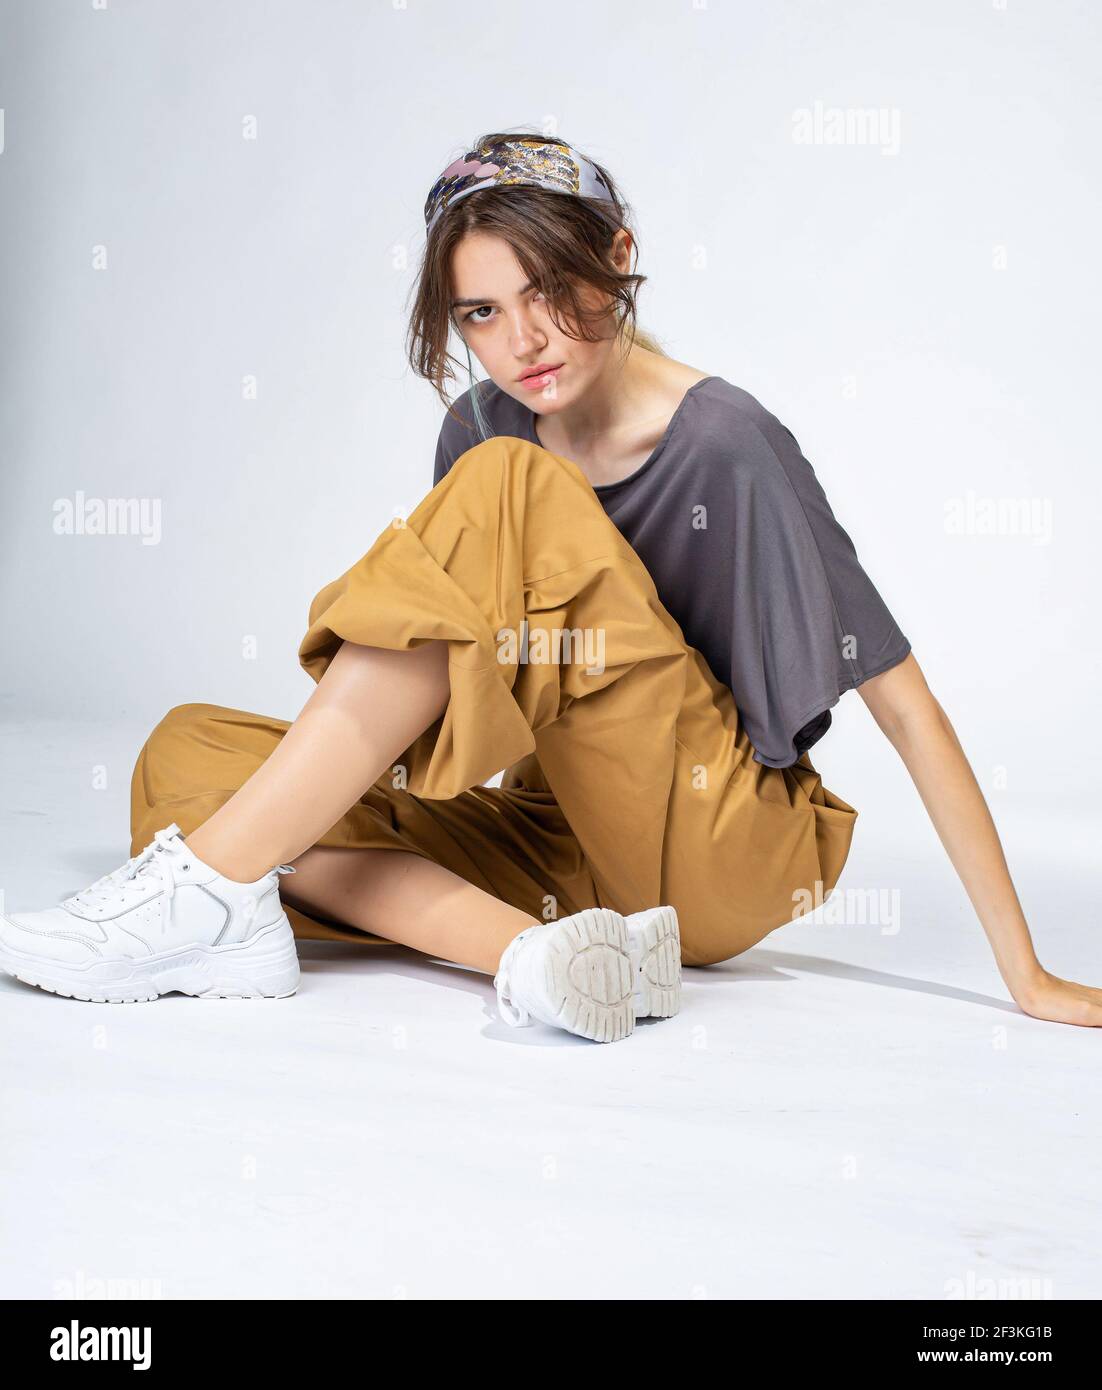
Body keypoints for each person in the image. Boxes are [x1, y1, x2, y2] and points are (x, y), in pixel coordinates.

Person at [2, 131, 1098, 1036]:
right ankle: (539, 962)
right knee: (190, 755)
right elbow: (441, 670)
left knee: (506, 488)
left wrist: (1026, 973)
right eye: (480, 313)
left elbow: (905, 708)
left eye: (551, 290)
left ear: (617, 257)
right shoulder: (480, 427)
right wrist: (310, 804)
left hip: (723, 845)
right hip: (559, 844)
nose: (521, 341)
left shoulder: (725, 442)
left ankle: (207, 890)